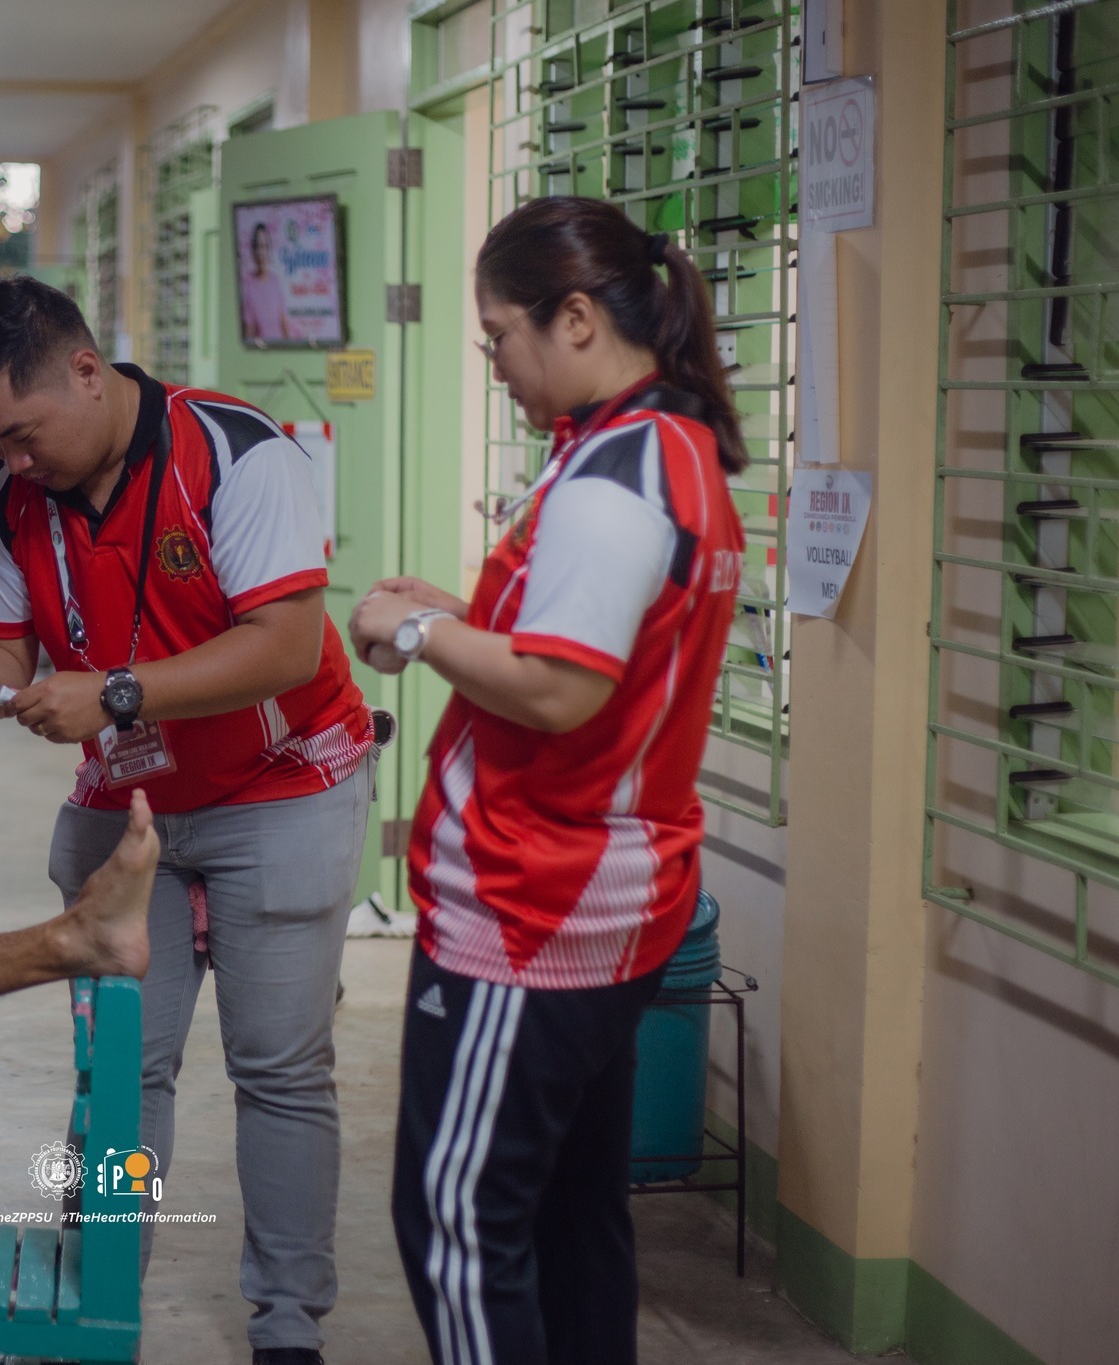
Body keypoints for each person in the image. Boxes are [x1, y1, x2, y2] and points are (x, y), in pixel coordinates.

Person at [0, 276, 375, 1365]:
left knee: (277, 1068)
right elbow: (8, 661)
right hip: (131, 806)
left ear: (84, 371)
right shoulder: (1, 495)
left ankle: (288, 1325)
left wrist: (112, 692)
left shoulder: (236, 454)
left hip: (283, 784)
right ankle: (93, 1289)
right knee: (117, 1068)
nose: (15, 462)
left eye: (22, 435)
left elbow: (285, 648)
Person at [348, 197, 747, 1365]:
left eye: (497, 338)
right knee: (575, 1216)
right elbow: (596, 658)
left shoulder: (613, 476)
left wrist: (412, 633)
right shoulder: (671, 447)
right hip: (613, 887)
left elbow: (563, 690)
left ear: (574, 318)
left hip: (534, 904)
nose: (497, 366)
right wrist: (463, 619)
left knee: (456, 1224)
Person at [238, 220, 291, 344]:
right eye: (258, 247)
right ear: (253, 250)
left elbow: (284, 324)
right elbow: (249, 332)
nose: (262, 252)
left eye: (265, 246)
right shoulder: (248, 286)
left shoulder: (276, 281)